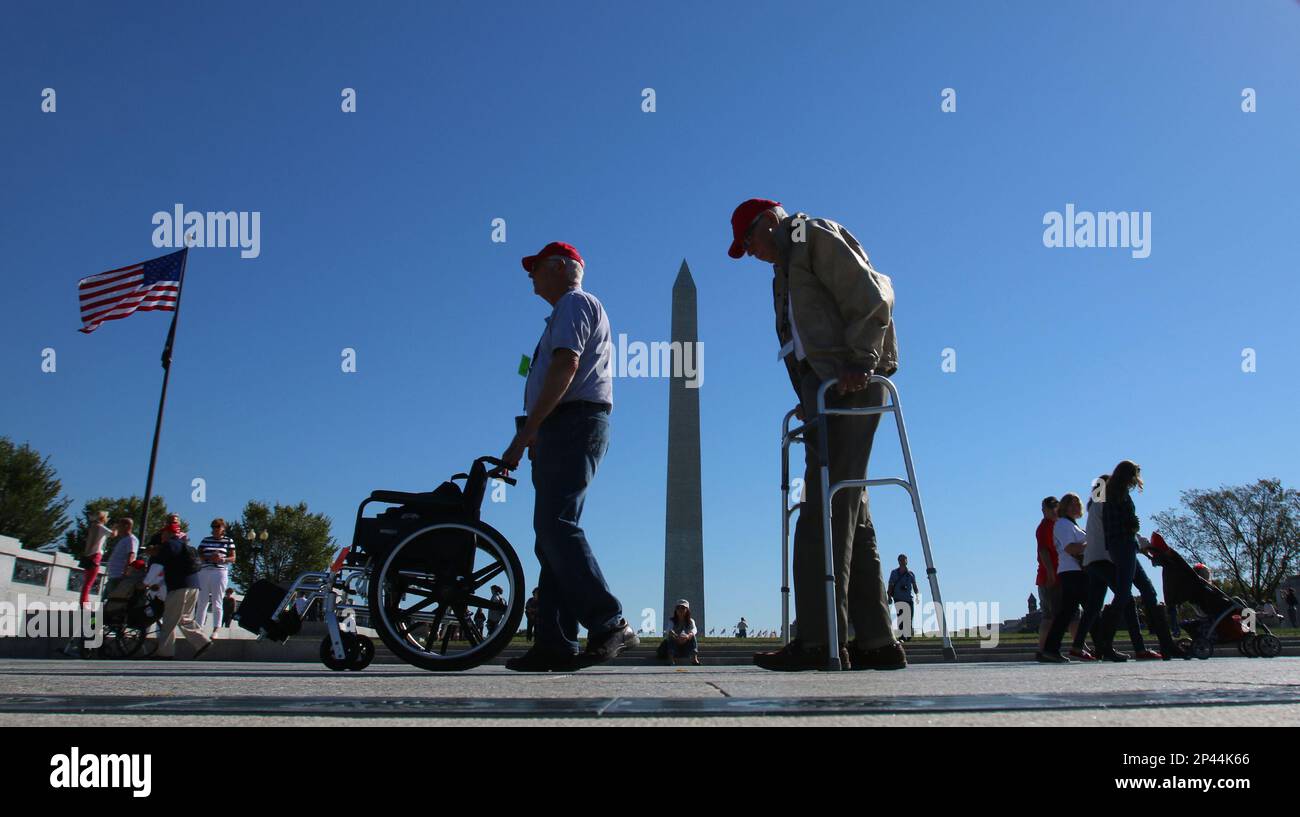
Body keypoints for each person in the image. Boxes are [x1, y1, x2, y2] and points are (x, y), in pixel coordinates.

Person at [732, 199, 904, 672]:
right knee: (851, 511)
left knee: (821, 509)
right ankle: (876, 640)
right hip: (824, 390)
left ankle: (817, 638)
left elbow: (871, 294)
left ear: (769, 221)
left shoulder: (810, 236)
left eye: (748, 240)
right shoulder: (784, 268)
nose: (750, 252)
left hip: (847, 382)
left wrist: (861, 359)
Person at [500, 241, 636, 672]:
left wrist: (528, 431)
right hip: (561, 425)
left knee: (555, 524)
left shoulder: (575, 304)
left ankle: (609, 621)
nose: (530, 276)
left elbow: (566, 366)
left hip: (572, 422)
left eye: (536, 267)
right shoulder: (564, 311)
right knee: (550, 533)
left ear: (560, 267)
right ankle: (555, 643)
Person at [1100, 460, 1146, 660]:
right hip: (1124, 544)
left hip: (1118, 545)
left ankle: (1107, 642)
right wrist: (1133, 525)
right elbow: (1125, 522)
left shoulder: (1110, 492)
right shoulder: (1118, 494)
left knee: (1135, 592)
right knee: (1123, 594)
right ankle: (1105, 642)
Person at [1040, 493, 1091, 663]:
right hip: (1067, 572)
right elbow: (1063, 549)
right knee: (1067, 613)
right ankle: (1051, 648)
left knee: (1070, 612)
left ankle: (1055, 648)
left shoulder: (1068, 524)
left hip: (1072, 572)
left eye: (1078, 503)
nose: (1076, 507)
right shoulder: (1057, 525)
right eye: (1071, 504)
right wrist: (1050, 574)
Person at [153, 517, 211, 660]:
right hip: (194, 586)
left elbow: (157, 567)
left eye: (163, 533)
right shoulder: (186, 546)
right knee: (184, 617)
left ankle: (165, 653)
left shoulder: (169, 545)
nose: (161, 536)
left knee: (169, 620)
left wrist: (146, 582)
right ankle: (202, 641)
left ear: (168, 533)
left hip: (178, 587)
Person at [194, 518, 235, 636]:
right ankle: (199, 627)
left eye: (218, 526)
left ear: (223, 528)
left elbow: (233, 558)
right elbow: (198, 554)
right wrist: (208, 557)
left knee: (217, 600)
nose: (215, 529)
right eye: (213, 526)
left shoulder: (228, 541)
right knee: (202, 601)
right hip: (205, 571)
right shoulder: (206, 540)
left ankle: (216, 629)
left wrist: (222, 559)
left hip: (219, 572)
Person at [1034, 496, 1059, 659]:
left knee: (1069, 615)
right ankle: (1042, 650)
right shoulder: (1044, 528)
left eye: (1055, 507)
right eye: (1049, 508)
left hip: (1059, 575)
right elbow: (1043, 551)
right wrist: (1050, 573)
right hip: (1048, 577)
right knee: (1049, 616)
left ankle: (1080, 646)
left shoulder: (1059, 524)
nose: (1053, 511)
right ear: (1044, 510)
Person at [80, 510, 111, 607]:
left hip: (87, 556)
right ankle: (85, 602)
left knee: (86, 581)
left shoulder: (92, 527)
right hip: (96, 556)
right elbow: (112, 534)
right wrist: (115, 528)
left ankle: (84, 601)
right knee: (89, 582)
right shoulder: (101, 527)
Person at [102, 517, 138, 598]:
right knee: (106, 601)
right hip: (113, 575)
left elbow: (131, 556)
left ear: (127, 526)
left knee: (113, 600)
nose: (118, 529)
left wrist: (125, 573)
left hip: (119, 576)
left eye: (120, 526)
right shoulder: (123, 540)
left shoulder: (131, 539)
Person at [657, 600, 700, 665]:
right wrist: (677, 637)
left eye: (683, 608)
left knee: (693, 636)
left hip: (686, 647)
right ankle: (671, 659)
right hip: (674, 647)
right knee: (671, 636)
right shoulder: (672, 621)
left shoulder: (691, 621)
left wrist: (688, 636)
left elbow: (694, 630)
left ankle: (694, 659)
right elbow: (668, 630)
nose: (680, 610)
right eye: (678, 608)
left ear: (687, 610)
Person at [887, 554, 919, 641]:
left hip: (909, 599)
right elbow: (890, 585)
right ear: (898, 561)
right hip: (898, 598)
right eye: (901, 560)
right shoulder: (894, 573)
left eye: (904, 560)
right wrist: (889, 597)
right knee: (901, 617)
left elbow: (915, 586)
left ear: (907, 561)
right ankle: (902, 636)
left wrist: (917, 594)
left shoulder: (911, 574)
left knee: (909, 617)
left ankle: (907, 636)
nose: (902, 561)